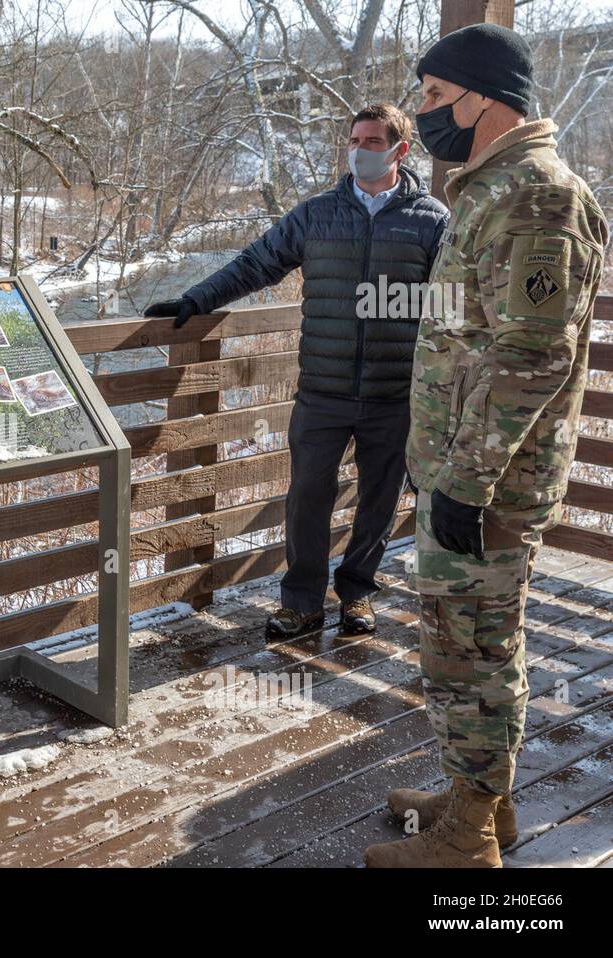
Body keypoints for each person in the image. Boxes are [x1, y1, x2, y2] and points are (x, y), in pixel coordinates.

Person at [365, 23, 608, 868]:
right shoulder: (493, 189)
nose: (425, 114)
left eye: (434, 98)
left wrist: (466, 481)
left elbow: (529, 359)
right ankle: (480, 801)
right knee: (467, 637)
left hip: (489, 482)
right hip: (465, 468)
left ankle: (468, 840)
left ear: (485, 98)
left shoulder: (536, 196)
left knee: (469, 643)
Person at [145, 105, 448, 641]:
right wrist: (196, 298)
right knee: (308, 494)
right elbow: (255, 264)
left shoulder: (431, 221)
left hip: (394, 392)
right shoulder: (316, 214)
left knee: (379, 499)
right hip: (322, 390)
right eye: (353, 139)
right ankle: (302, 603)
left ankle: (357, 594)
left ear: (401, 150)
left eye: (372, 141)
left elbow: (452, 304)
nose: (359, 149)